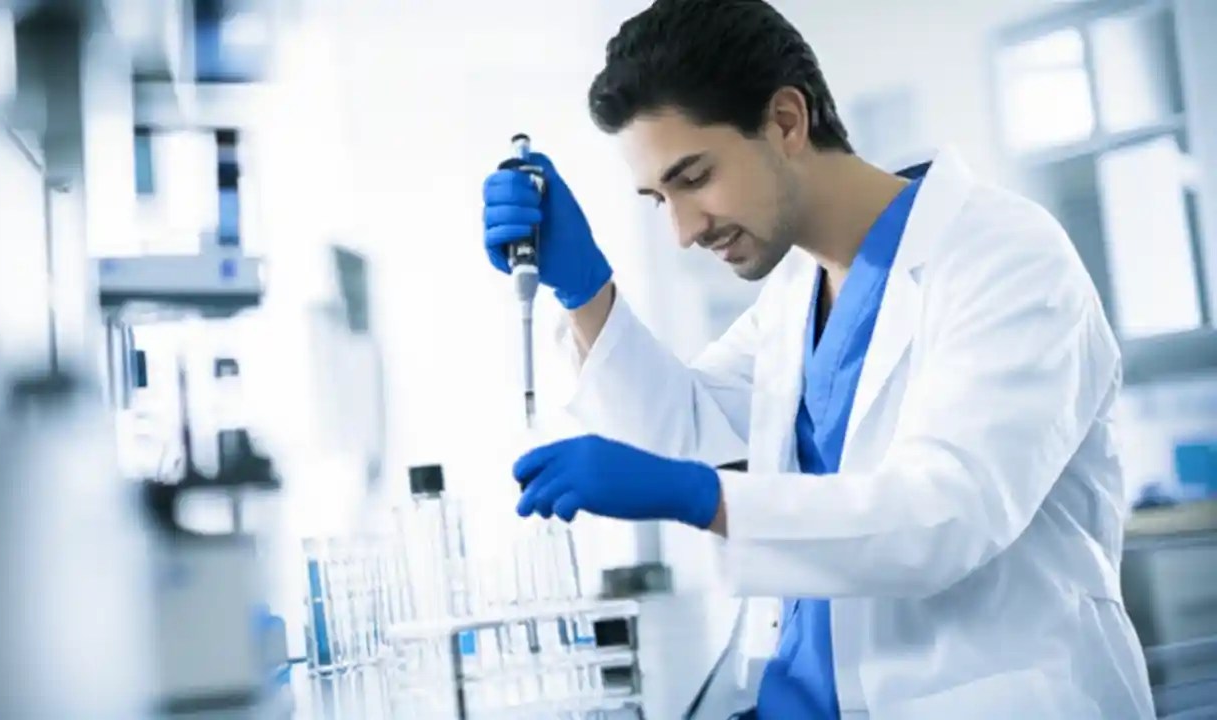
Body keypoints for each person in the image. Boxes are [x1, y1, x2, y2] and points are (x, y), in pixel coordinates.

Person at [480, 0, 1155, 717]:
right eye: (657, 199)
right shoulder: (795, 295)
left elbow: (943, 517)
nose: (682, 230)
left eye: (694, 177)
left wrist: (698, 495)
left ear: (786, 121)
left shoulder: (1004, 256)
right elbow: (685, 426)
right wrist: (584, 288)